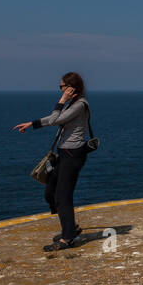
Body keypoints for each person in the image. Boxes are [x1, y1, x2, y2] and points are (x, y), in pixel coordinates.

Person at [15, 72, 91, 250]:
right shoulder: (74, 104)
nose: (61, 89)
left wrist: (61, 100)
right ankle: (70, 227)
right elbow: (53, 118)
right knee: (50, 191)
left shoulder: (80, 105)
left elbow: (56, 119)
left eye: (62, 86)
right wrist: (32, 124)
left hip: (73, 155)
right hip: (64, 154)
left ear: (71, 88)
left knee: (62, 196)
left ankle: (68, 238)